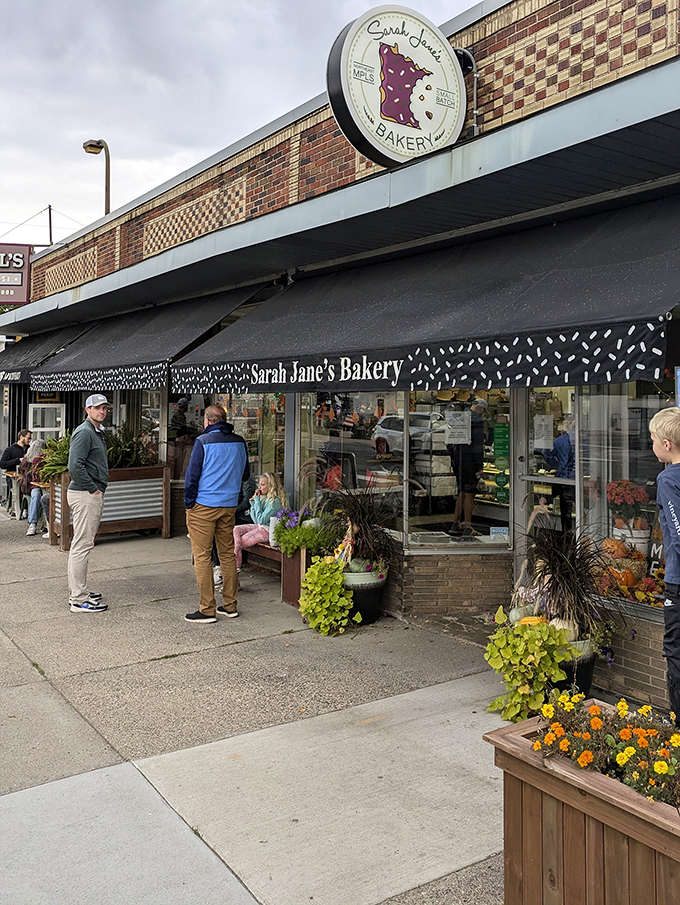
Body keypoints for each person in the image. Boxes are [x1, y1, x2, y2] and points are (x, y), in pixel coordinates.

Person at [184, 404, 249, 623]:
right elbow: (245, 474)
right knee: (227, 554)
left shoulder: (203, 442)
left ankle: (207, 609)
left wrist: (188, 504)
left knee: (202, 556)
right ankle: (230, 605)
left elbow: (192, 477)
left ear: (208, 421)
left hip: (204, 504)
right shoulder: (240, 442)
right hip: (229, 504)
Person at [649, 407, 680, 727]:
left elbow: (678, 529)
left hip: (679, 581)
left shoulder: (668, 478)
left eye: (653, 440)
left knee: (675, 651)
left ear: (667, 444)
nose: (652, 446)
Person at [67, 394, 110, 613]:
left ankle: (80, 591)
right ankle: (78, 599)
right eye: (97, 408)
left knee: (82, 544)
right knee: (82, 545)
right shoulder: (84, 432)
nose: (101, 411)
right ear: (87, 409)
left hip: (87, 493)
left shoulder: (95, 432)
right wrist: (93, 488)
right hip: (85, 494)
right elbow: (75, 466)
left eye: (104, 408)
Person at [233, 472, 288, 571]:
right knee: (236, 529)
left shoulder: (275, 502)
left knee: (241, 541)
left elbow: (261, 520)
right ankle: (236, 565)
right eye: (259, 484)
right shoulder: (265, 498)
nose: (259, 487)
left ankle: (235, 566)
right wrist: (253, 504)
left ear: (271, 486)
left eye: (263, 485)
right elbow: (255, 520)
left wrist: (257, 502)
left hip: (268, 530)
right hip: (260, 526)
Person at [448, 398, 487, 537]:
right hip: (470, 461)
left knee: (462, 491)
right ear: (481, 408)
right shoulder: (477, 421)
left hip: (458, 460)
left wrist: (454, 457)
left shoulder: (458, 417)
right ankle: (468, 526)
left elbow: (449, 442)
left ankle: (455, 523)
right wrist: (479, 466)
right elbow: (477, 446)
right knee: (470, 492)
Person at [542, 413, 576, 534]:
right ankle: (584, 537)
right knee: (583, 510)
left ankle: (567, 536)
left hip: (564, 480)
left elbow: (546, 453)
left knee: (566, 513)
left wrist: (555, 465)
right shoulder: (584, 439)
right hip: (582, 479)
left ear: (568, 424)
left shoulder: (560, 441)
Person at [18, 439, 46, 536]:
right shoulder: (28, 460)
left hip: (39, 486)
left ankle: (48, 524)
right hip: (31, 486)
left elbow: (20, 471)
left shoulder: (40, 459)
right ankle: (32, 523)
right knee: (36, 495)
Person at [1, 429, 32, 509]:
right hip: (13, 478)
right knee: (20, 487)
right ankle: (19, 509)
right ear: (21, 437)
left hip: (26, 477)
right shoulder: (10, 450)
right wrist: (18, 460)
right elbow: (2, 464)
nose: (29, 440)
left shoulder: (30, 449)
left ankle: (27, 509)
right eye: (28, 438)